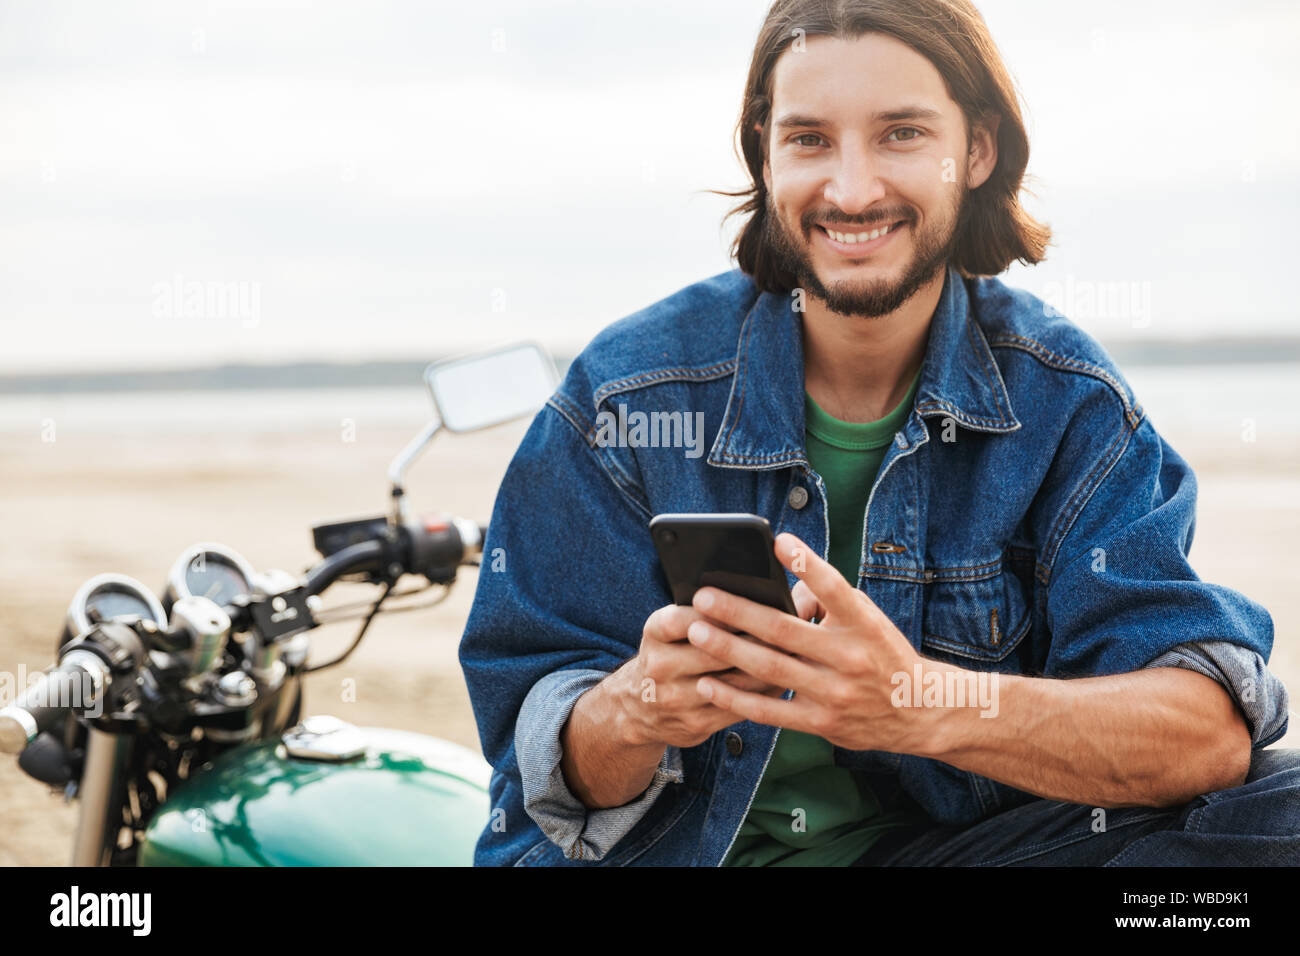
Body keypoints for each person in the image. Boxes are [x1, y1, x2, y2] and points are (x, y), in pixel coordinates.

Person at [458, 0, 1296, 866]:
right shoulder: (629, 393)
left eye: (900, 134)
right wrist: (639, 707)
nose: (851, 191)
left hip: (933, 854)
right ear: (765, 151)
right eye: (810, 139)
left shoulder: (1064, 401)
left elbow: (1209, 736)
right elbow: (538, 767)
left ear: (977, 149)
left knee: (1285, 808)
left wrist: (919, 700)